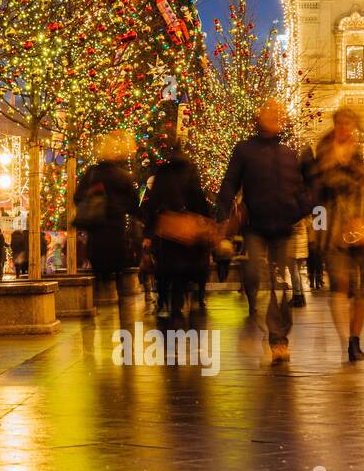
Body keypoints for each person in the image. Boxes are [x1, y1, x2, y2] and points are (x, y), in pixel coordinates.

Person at [215, 100, 311, 362]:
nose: (274, 116)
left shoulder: (288, 153)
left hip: (283, 227)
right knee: (256, 275)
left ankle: (278, 338)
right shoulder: (245, 150)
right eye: (269, 112)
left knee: (280, 284)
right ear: (259, 118)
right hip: (255, 226)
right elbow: (229, 183)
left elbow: (301, 188)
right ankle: (262, 320)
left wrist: (302, 209)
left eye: (278, 113)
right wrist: (223, 217)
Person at [309, 106, 364, 362]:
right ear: (334, 125)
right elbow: (316, 195)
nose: (344, 127)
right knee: (340, 283)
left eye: (348, 123)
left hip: (362, 224)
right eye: (340, 123)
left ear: (354, 125)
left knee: (363, 289)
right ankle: (346, 340)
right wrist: (318, 230)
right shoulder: (322, 151)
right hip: (333, 228)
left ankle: (355, 338)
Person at [139, 135, 211, 320]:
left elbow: (153, 202)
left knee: (164, 267)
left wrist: (148, 231)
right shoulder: (191, 170)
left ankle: (163, 302)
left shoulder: (163, 171)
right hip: (185, 225)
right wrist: (206, 219)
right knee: (180, 269)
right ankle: (176, 306)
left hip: (165, 225)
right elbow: (198, 196)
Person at [74, 128, 141, 311]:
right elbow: (134, 205)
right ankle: (124, 325)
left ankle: (91, 320)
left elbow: (77, 197)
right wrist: (119, 208)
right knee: (120, 284)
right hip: (116, 234)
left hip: (96, 235)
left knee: (97, 281)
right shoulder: (122, 176)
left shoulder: (92, 173)